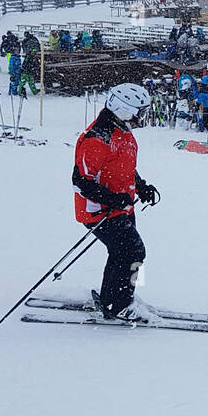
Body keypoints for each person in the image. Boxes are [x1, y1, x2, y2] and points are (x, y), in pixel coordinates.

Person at [71, 83, 159, 321]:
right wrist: (113, 199)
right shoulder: (97, 139)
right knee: (133, 251)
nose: (142, 117)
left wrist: (141, 186)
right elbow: (80, 181)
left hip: (121, 207)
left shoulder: (122, 131)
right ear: (123, 110)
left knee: (123, 252)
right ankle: (118, 305)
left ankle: (115, 297)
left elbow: (124, 164)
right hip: (100, 211)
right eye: (139, 112)